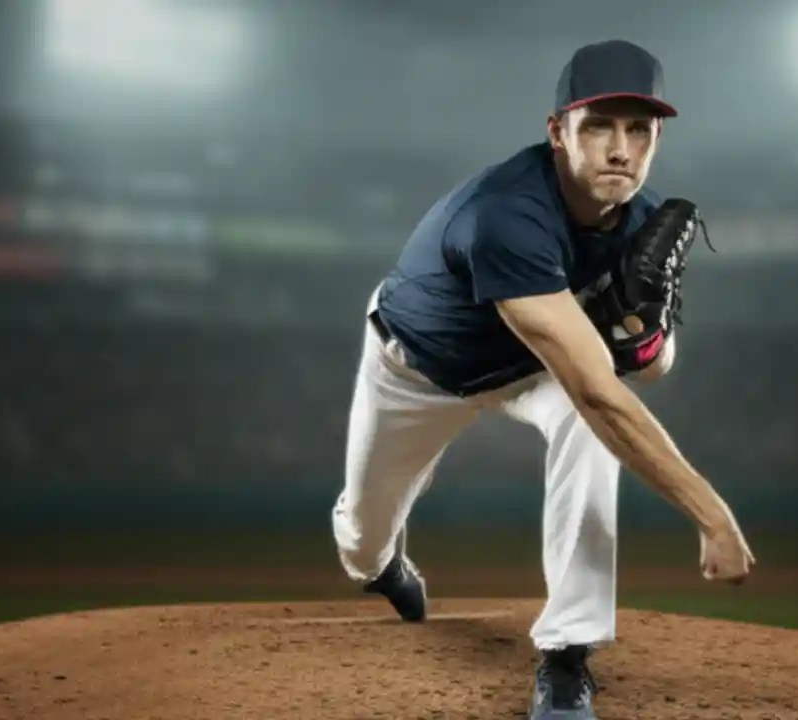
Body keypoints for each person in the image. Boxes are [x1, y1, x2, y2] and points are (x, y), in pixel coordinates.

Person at [331, 39, 755, 719]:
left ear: (657, 137)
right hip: (416, 367)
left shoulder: (641, 224)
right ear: (558, 131)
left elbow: (647, 370)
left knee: (593, 432)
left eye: (639, 129)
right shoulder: (506, 214)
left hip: (533, 368)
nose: (621, 148)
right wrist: (712, 516)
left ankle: (567, 654)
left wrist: (641, 330)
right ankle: (380, 566)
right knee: (362, 529)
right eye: (599, 126)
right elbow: (599, 390)